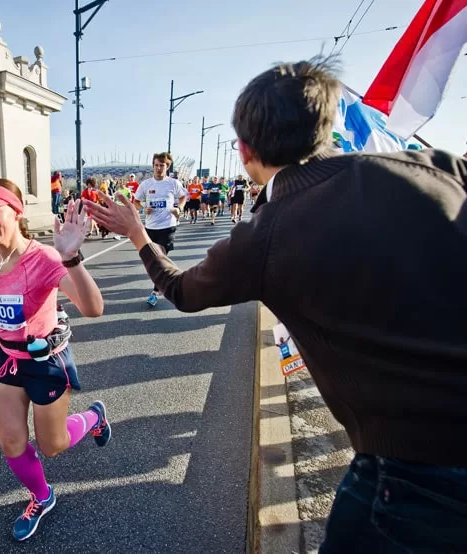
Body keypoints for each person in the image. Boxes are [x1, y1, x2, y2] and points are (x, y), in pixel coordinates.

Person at [84, 56, 467, 553]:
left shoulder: (266, 234)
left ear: (245, 149)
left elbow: (181, 290)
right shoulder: (437, 166)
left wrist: (137, 234)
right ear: (326, 123)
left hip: (417, 476)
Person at [0, 179, 109, 542]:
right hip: (8, 358)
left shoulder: (43, 258)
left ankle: (94, 417)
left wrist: (71, 258)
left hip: (46, 362)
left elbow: (93, 308)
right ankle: (42, 497)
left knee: (52, 445)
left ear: (16, 210)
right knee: (11, 441)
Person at [133, 153, 186, 307]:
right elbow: (136, 201)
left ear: (167, 167)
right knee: (153, 260)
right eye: (156, 165)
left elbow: (183, 197)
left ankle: (155, 292)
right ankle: (167, 282)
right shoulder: (146, 184)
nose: (158, 168)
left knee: (160, 257)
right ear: (153, 166)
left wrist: (179, 208)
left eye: (162, 165)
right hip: (150, 227)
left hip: (168, 226)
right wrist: (143, 208)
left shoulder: (173, 183)